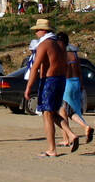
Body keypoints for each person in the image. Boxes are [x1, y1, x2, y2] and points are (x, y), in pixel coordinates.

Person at [23, 18, 80, 157]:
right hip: (61, 80)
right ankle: (71, 135)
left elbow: (35, 67)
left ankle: (52, 149)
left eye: (37, 30)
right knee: (52, 113)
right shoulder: (60, 45)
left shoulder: (45, 45)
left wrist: (28, 87)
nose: (36, 33)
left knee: (47, 114)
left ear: (44, 30)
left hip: (49, 81)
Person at [56, 32, 95, 143]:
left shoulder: (62, 55)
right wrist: (81, 85)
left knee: (64, 111)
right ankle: (84, 128)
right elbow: (79, 72)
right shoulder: (74, 55)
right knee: (73, 110)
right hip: (76, 82)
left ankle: (67, 138)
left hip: (67, 83)